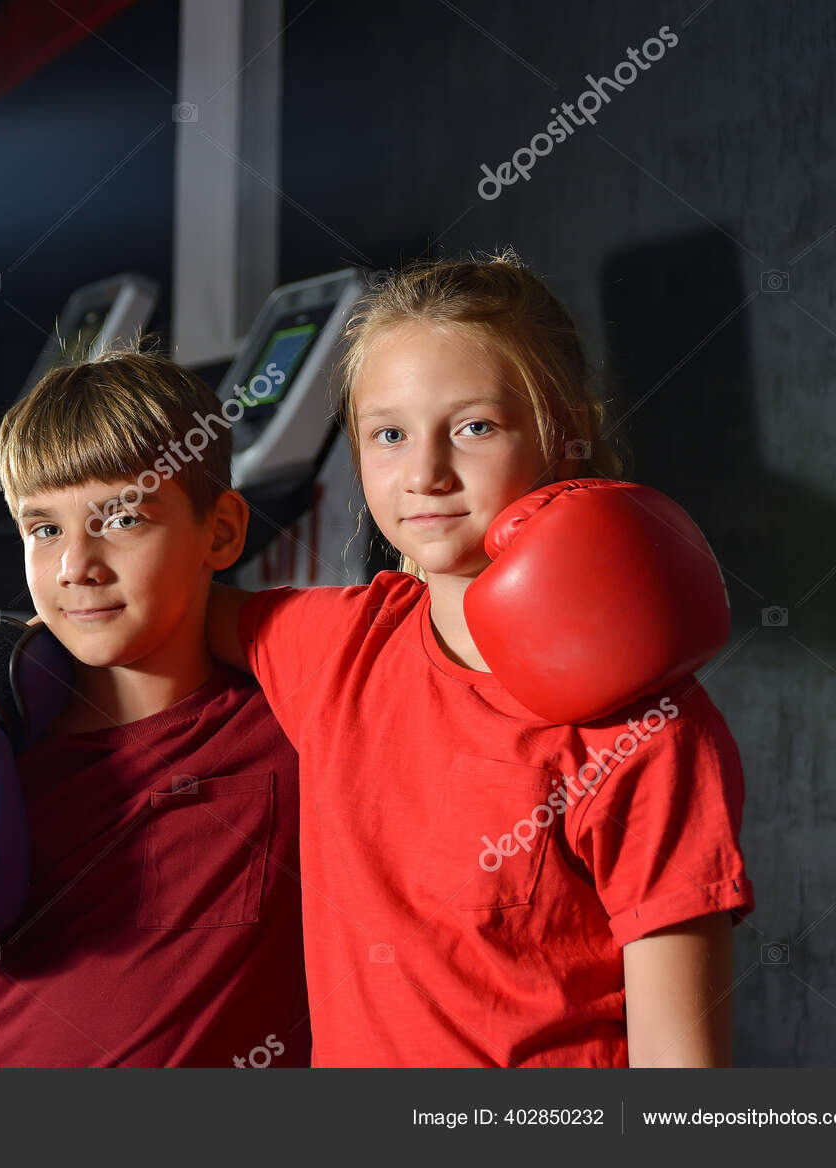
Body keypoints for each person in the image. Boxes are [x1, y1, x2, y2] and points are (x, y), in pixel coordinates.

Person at [201, 249, 754, 1067]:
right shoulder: (336, 646)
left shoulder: (647, 730)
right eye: (388, 434)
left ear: (569, 437)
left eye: (475, 427)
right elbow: (160, 605)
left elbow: (681, 1069)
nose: (424, 473)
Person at [0, 347, 310, 1067]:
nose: (77, 566)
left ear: (220, 531)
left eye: (123, 519)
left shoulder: (298, 726)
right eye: (45, 530)